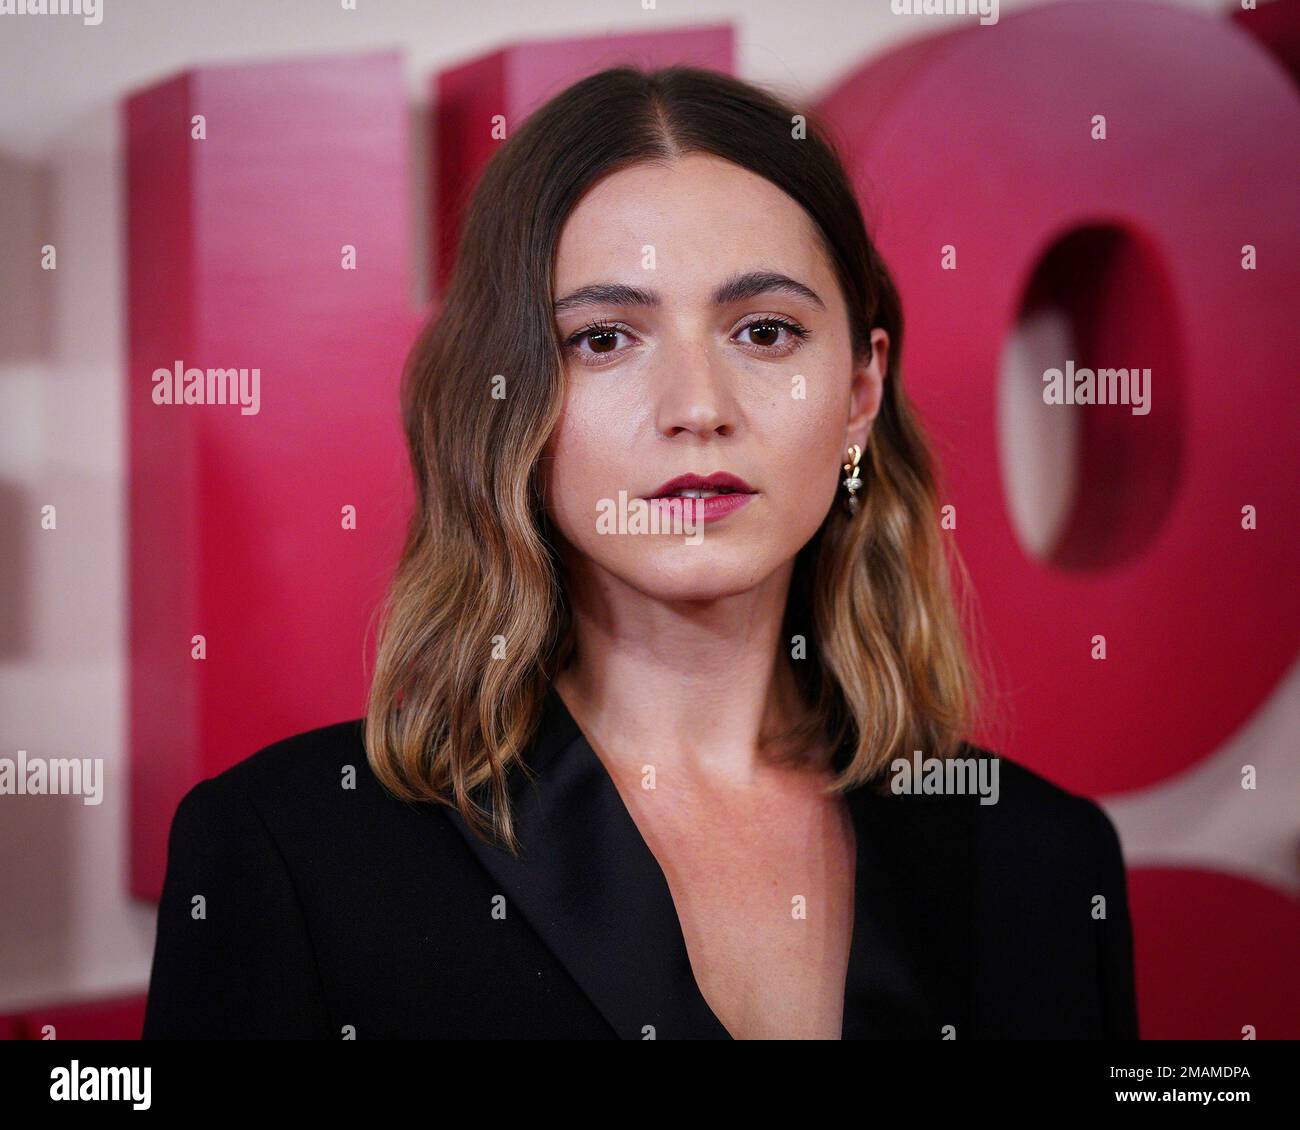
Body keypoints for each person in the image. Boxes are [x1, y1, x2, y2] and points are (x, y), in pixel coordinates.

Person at [142, 64, 1139, 1040]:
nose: (698, 408)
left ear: (859, 392)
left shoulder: (1044, 858)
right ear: (507, 399)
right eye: (604, 339)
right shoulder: (292, 849)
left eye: (765, 329)